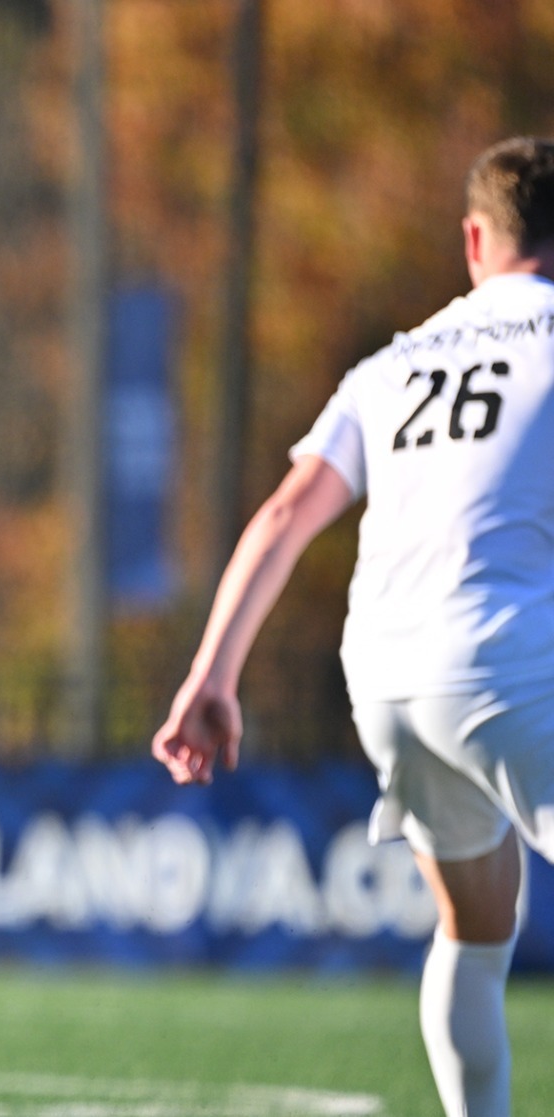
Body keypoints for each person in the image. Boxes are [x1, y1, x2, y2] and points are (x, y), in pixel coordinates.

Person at [153, 136, 554, 1117]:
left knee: (475, 921)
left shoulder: (394, 362)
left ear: (474, 239)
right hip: (507, 662)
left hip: (386, 676)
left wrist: (212, 674)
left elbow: (287, 513)